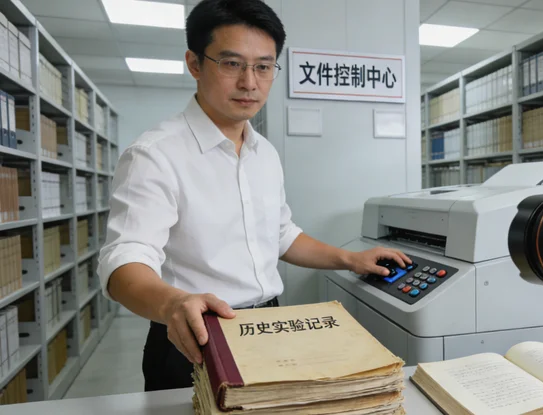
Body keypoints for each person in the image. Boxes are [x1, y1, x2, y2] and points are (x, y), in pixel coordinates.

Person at [97, 0, 411, 392]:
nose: (250, 82)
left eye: (263, 67)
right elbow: (125, 258)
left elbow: (280, 234)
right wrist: (171, 304)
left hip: (269, 326)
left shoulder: (264, 152)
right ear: (195, 64)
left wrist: (348, 258)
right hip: (195, 334)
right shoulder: (155, 155)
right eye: (231, 64)